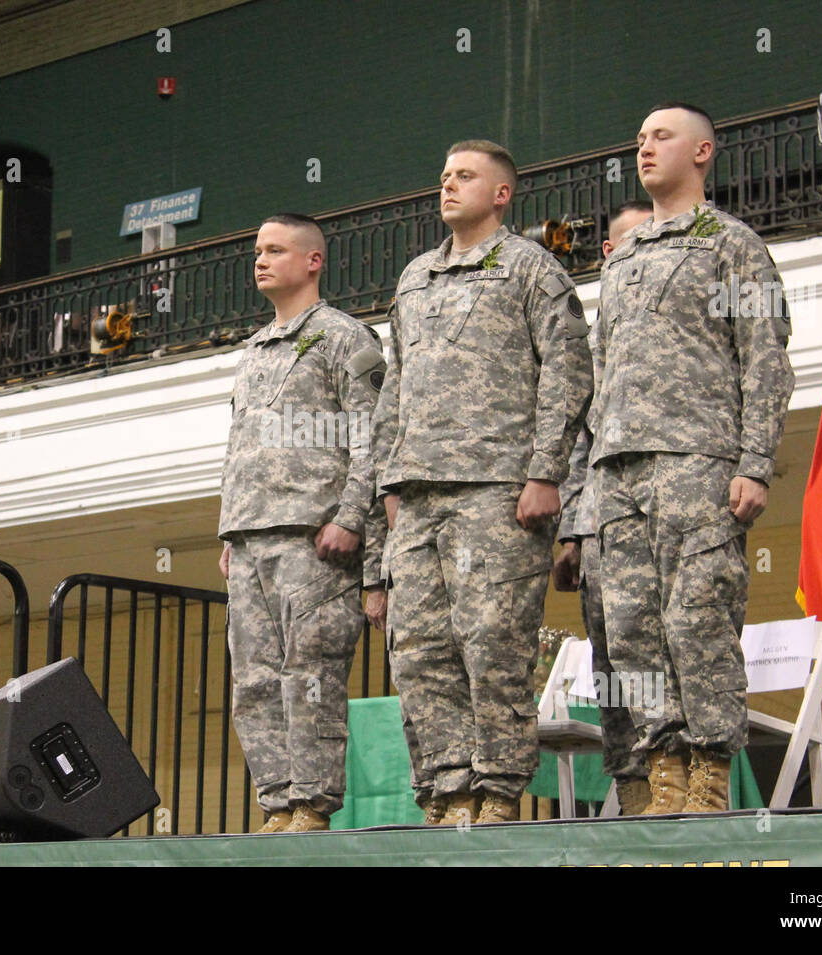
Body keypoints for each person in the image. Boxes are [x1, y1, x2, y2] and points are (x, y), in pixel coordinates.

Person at [373, 140, 593, 824]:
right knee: (417, 650)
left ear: (501, 193)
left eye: (464, 176)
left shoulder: (531, 267)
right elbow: (395, 389)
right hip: (419, 496)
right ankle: (446, 791)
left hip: (499, 491)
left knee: (493, 644)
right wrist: (388, 481)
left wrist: (545, 472)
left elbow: (566, 371)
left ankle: (496, 792)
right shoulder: (414, 279)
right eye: (443, 175)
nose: (448, 186)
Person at [591, 103, 794, 813]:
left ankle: (708, 770)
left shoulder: (731, 244)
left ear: (703, 151)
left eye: (662, 137)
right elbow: (602, 373)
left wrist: (754, 461)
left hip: (698, 460)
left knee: (698, 621)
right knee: (632, 630)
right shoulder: (623, 262)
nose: (644, 148)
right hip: (618, 472)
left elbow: (764, 359)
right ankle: (663, 767)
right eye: (639, 137)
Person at [217, 214, 387, 833]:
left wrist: (350, 518)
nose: (260, 260)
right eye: (257, 250)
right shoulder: (253, 351)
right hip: (252, 536)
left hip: (313, 541)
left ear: (313, 261)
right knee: (253, 681)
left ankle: (312, 804)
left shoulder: (346, 339)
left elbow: (373, 438)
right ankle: (277, 800)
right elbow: (240, 446)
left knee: (308, 677)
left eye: (276, 250)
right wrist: (229, 532)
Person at [554, 200, 653, 816]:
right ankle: (634, 785)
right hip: (598, 526)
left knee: (666, 647)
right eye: (636, 240)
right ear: (610, 254)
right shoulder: (594, 342)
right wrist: (569, 532)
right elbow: (575, 441)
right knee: (612, 662)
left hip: (666, 513)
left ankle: (680, 773)